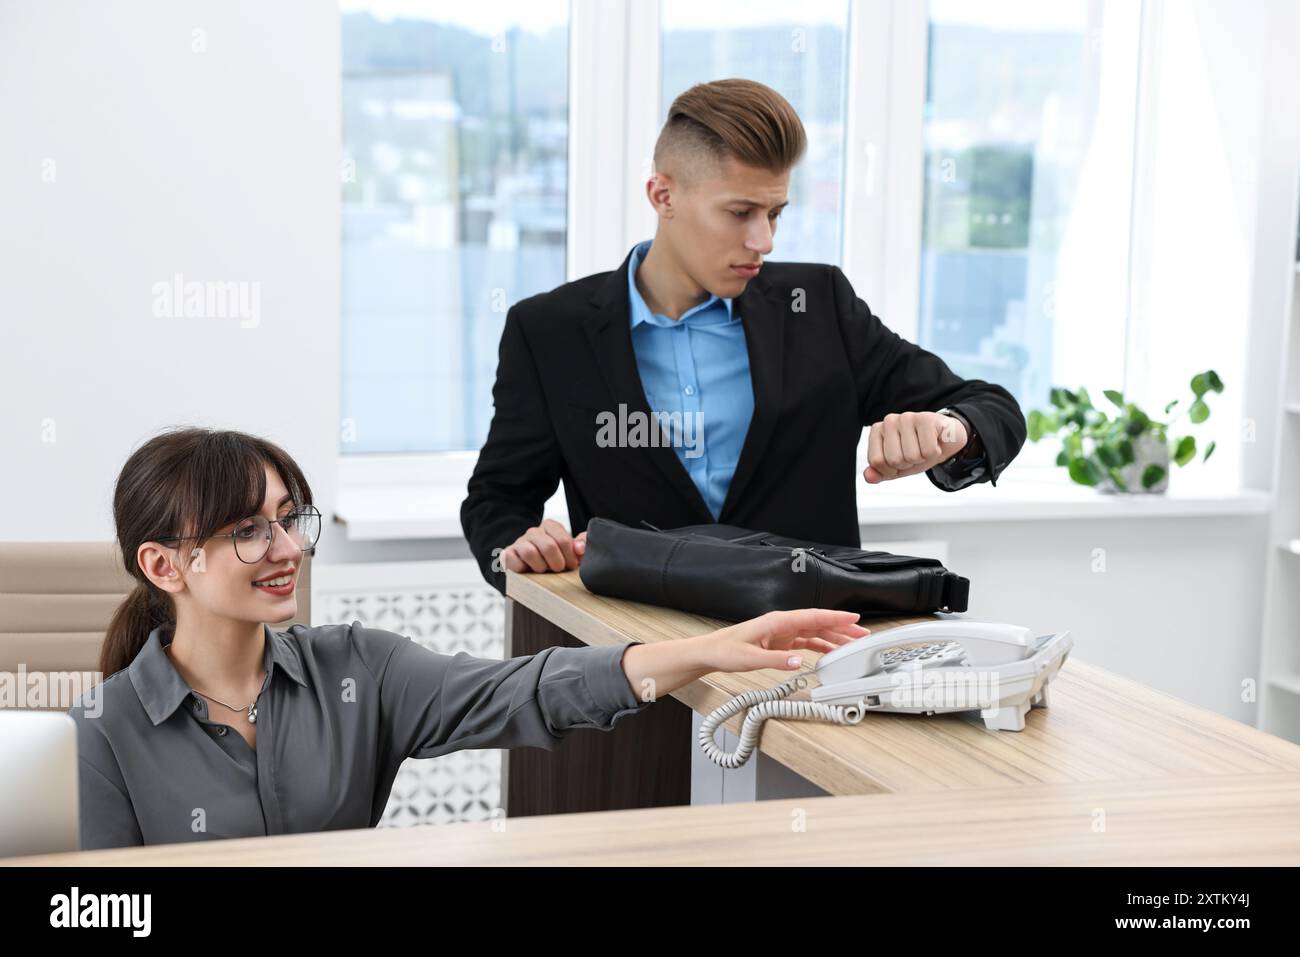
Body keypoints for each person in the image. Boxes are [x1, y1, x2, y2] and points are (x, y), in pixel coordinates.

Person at [68, 427, 869, 849]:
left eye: (289, 519)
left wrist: (710, 648)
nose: (285, 550)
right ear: (165, 563)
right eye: (249, 530)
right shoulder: (99, 735)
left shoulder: (358, 667)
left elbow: (523, 688)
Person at [461, 78, 1026, 594]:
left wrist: (953, 431)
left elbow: (992, 408)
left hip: (805, 656)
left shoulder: (820, 306)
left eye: (775, 213)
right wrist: (517, 546)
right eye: (740, 213)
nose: (764, 240)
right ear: (663, 196)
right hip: (631, 661)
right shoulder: (550, 330)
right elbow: (497, 498)